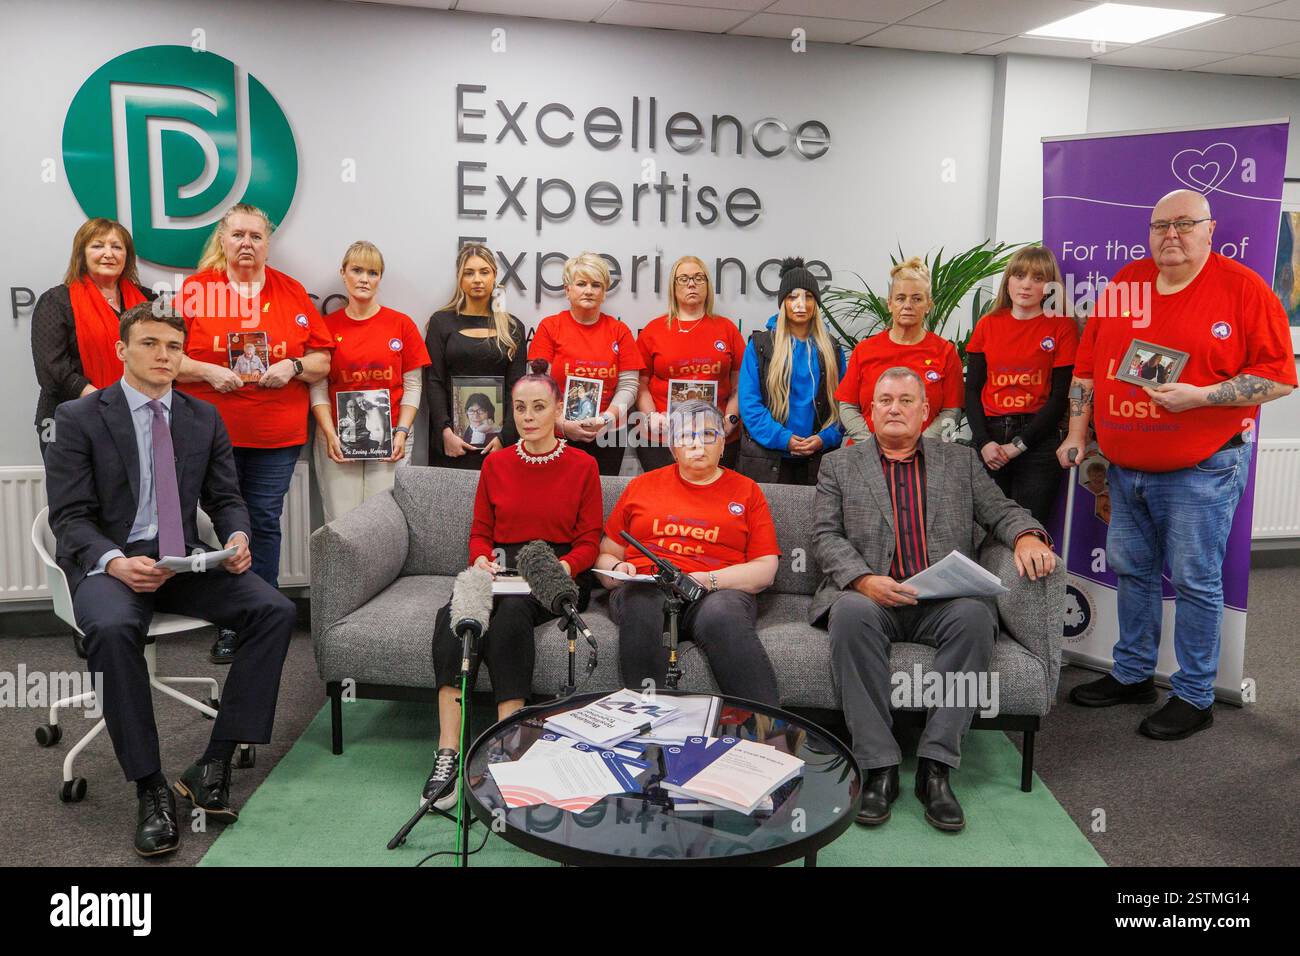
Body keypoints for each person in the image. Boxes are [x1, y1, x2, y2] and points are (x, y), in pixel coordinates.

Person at [43, 301, 296, 857]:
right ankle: (150, 786)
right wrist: (112, 561)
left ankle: (214, 761)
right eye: (151, 343)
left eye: (174, 347)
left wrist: (236, 538)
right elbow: (70, 518)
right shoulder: (79, 417)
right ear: (121, 350)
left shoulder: (202, 417)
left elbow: (226, 498)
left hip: (183, 561)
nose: (163, 355)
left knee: (275, 610)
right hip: (112, 564)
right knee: (110, 633)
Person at [1060, 189, 1296, 740]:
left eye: (1185, 223)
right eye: (1161, 224)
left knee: (1194, 581)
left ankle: (1194, 695)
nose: (1171, 234)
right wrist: (1076, 432)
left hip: (1203, 469)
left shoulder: (1243, 289)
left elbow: (1280, 377)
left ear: (1210, 230)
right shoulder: (1126, 283)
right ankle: (1134, 672)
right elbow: (1089, 365)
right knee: (1133, 571)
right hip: (1124, 466)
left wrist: (1202, 397)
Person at [812, 366, 1054, 833]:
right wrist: (863, 579)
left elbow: (1001, 510)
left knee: (975, 617)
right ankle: (879, 766)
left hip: (941, 601)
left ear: (926, 412)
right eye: (886, 400)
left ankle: (935, 767)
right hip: (872, 596)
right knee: (849, 615)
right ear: (871, 410)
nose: (895, 408)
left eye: (906, 400)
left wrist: (1026, 535)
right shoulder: (839, 465)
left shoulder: (959, 461)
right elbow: (824, 537)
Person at [423, 360, 602, 810]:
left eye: (539, 407)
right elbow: (481, 531)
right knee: (456, 617)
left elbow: (589, 539)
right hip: (500, 569)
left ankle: (509, 746)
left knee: (510, 622)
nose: (528, 416)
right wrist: (481, 559)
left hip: (552, 568)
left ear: (557, 409)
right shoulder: (497, 464)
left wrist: (562, 566)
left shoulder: (582, 465)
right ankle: (448, 752)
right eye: (520, 408)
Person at [173, 203, 333, 665]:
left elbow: (323, 359)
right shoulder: (196, 292)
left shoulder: (290, 291)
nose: (247, 243)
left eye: (256, 236)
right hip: (210, 434)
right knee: (223, 523)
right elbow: (165, 358)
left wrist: (294, 366)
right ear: (222, 240)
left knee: (262, 522)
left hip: (274, 435)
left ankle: (255, 620)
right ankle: (227, 616)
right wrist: (207, 370)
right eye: (238, 235)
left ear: (268, 243)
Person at [596, 399, 781, 705]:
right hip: (648, 588)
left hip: (716, 591)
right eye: (686, 436)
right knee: (640, 600)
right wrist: (618, 571)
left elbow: (765, 570)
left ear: (723, 443)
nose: (698, 444)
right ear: (672, 447)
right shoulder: (641, 487)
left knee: (723, 614)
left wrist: (706, 579)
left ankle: (766, 731)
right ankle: (645, 725)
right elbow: (606, 554)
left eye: (708, 435)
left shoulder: (747, 491)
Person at [311, 241, 430, 524]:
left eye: (373, 272)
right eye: (357, 270)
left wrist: (401, 432)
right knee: (342, 524)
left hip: (390, 439)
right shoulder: (327, 327)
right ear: (343, 273)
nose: (364, 279)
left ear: (380, 277)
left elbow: (413, 387)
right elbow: (317, 387)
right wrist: (330, 434)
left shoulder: (401, 325)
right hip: (339, 440)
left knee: (384, 524)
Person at [964, 246, 1078, 526]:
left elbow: (1059, 396)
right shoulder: (987, 324)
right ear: (1008, 280)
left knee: (1029, 529)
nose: (1026, 284)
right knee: (983, 530)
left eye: (1037, 278)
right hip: (989, 436)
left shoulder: (1061, 326)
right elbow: (972, 389)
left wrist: (1019, 445)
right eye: (1019, 275)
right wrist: (984, 442)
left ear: (1049, 287)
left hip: (1038, 441)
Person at [31, 218, 153, 460]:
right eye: (97, 246)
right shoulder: (56, 301)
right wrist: (106, 401)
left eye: (117, 247)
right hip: (67, 421)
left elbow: (167, 354)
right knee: (75, 496)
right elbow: (50, 369)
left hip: (139, 417)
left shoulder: (150, 301)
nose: (108, 254)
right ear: (81, 254)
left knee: (131, 496)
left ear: (127, 256)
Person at [529, 252, 645, 475]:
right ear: (567, 290)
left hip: (607, 435)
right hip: (556, 433)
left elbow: (629, 387)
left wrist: (605, 419)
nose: (589, 290)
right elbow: (536, 385)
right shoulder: (550, 327)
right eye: (581, 284)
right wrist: (561, 424)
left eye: (596, 285)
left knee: (600, 501)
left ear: (604, 293)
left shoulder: (619, 331)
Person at [736, 257, 845, 485]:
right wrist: (783, 438)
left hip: (818, 461)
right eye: (792, 297)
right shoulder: (760, 345)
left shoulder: (832, 349)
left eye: (808, 297)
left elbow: (843, 405)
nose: (801, 304)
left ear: (816, 303)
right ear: (783, 302)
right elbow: (749, 405)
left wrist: (824, 438)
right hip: (767, 461)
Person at [634, 256, 746, 471]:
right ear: (673, 287)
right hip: (662, 439)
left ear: (708, 285)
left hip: (714, 437)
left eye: (698, 278)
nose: (691, 283)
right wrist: (650, 417)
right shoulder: (653, 330)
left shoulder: (726, 329)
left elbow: (739, 385)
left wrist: (730, 421)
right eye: (683, 279)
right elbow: (641, 384)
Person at [836, 257, 963, 441]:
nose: (908, 306)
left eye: (917, 299)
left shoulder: (946, 352)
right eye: (900, 298)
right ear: (889, 304)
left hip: (925, 459)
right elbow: (847, 406)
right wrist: (871, 447)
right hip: (866, 458)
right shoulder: (864, 350)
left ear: (929, 305)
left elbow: (952, 411)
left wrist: (918, 448)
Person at [425, 243, 527, 469]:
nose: (477, 279)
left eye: (484, 272)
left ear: (494, 276)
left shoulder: (512, 327)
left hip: (500, 445)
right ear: (460, 279)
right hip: (451, 442)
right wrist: (445, 432)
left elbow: (517, 388)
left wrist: (505, 438)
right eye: (469, 273)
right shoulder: (441, 322)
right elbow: (434, 382)